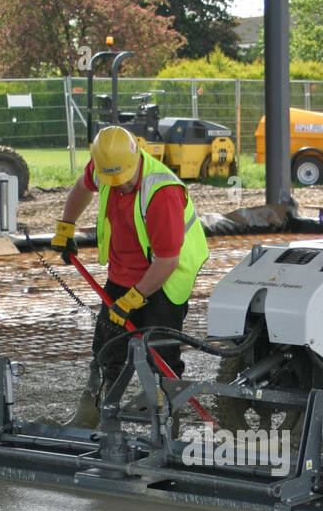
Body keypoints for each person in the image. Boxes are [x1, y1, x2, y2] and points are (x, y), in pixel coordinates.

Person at [52, 125, 208, 427]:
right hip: (123, 272)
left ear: (135, 158)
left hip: (165, 279)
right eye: (112, 181)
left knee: (158, 351)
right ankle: (96, 410)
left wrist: (134, 299)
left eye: (123, 180)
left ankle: (166, 419)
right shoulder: (108, 166)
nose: (118, 186)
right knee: (106, 348)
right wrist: (65, 227)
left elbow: (167, 261)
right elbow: (82, 189)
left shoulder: (162, 191)